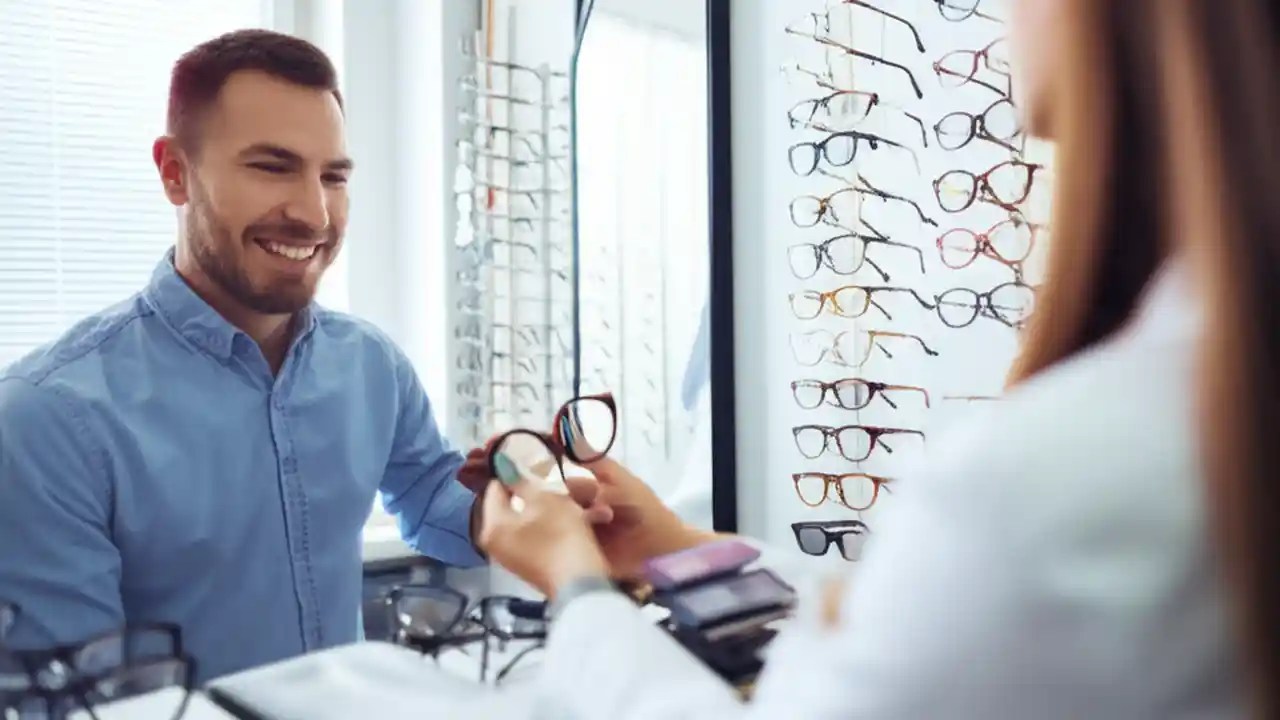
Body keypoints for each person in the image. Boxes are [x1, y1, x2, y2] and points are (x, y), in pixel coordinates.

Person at [478, 0, 1278, 717]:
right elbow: (928, 624)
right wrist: (681, 549)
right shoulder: (1192, 403)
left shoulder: (1034, 480)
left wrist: (579, 590)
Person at [0, 29, 603, 683]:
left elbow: (431, 502)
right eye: (272, 167)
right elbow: (73, 699)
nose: (315, 214)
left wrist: (531, 507)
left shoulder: (370, 365)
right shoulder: (45, 421)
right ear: (176, 173)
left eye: (334, 176)